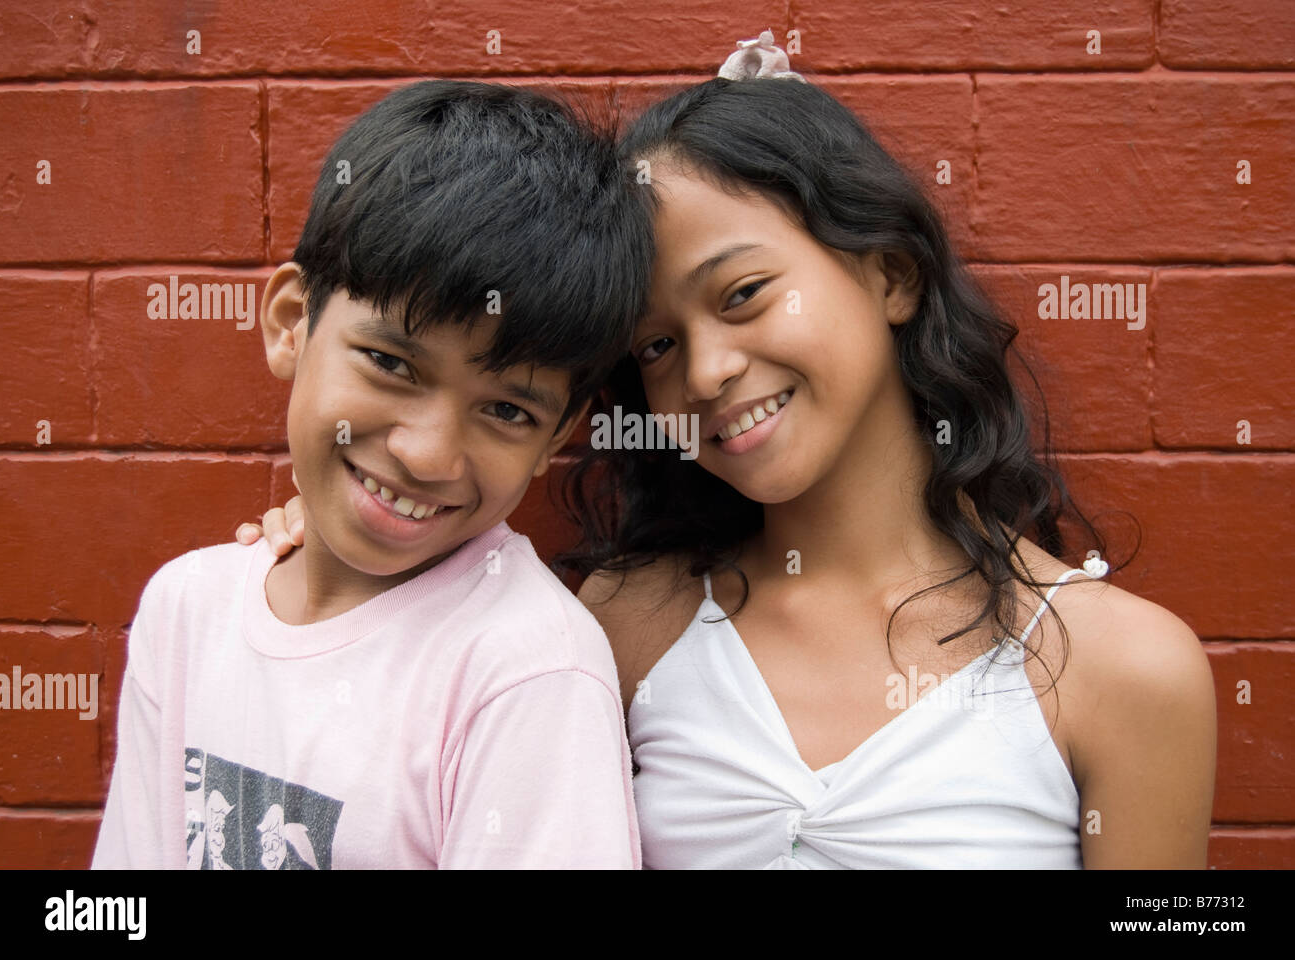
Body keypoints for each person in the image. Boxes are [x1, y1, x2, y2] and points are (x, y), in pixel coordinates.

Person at [242, 36, 1217, 869]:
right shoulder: (625, 626)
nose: (703, 372)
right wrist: (322, 550)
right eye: (656, 347)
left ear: (890, 272)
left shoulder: (1123, 668)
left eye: (742, 294)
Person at [92, 79, 653, 869]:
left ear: (558, 434)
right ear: (292, 324)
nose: (427, 454)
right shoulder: (188, 613)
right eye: (391, 363)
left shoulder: (526, 672)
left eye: (506, 412)